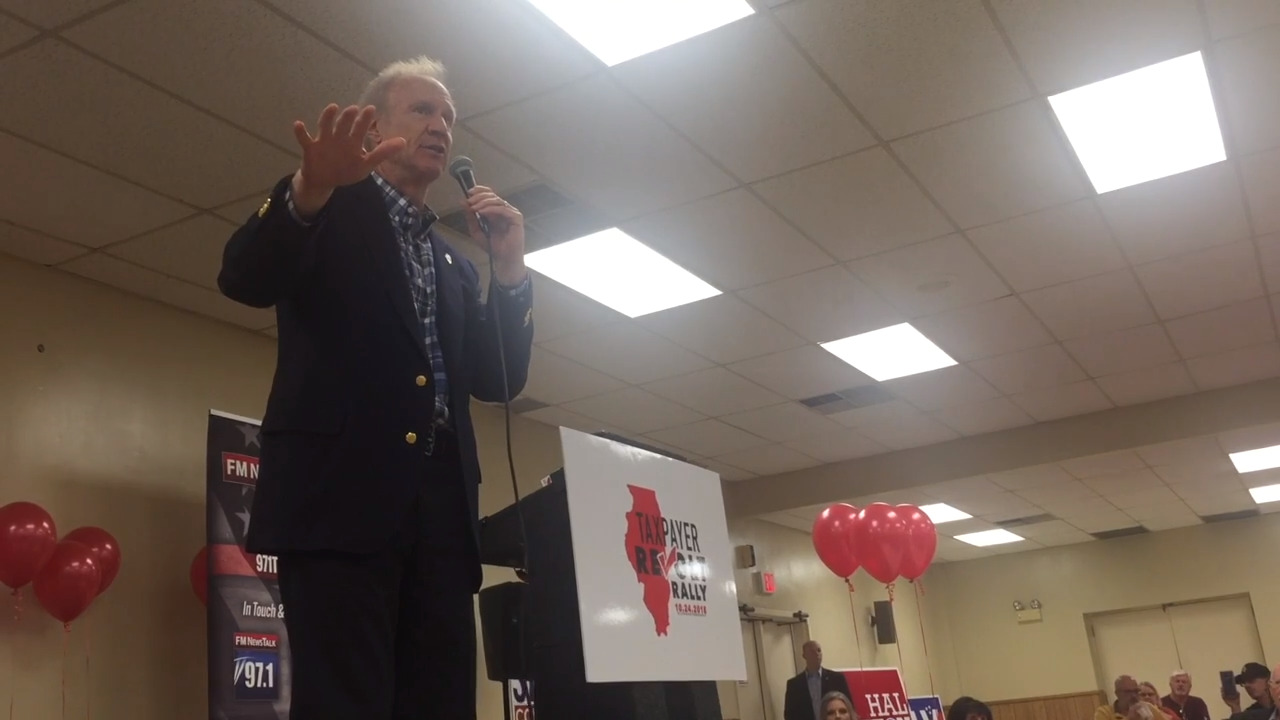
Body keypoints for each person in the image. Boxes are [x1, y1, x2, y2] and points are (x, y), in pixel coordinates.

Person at [217, 55, 534, 720]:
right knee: (346, 702)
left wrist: (508, 272)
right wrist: (308, 185)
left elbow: (497, 379)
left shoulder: (452, 260)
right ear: (375, 130)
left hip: (443, 517)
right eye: (422, 109)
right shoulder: (327, 202)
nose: (441, 125)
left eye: (448, 116)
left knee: (442, 699)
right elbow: (243, 276)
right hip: (341, 505)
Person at [784, 641, 853, 720]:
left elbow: (849, 706)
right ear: (804, 656)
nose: (817, 654)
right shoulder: (794, 684)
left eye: (819, 650)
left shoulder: (836, 678)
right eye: (812, 651)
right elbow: (790, 715)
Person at [1096, 675, 1169, 720]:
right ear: (1117, 693)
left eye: (1136, 691)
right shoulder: (1104, 712)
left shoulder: (1148, 707)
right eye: (1128, 692)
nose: (1133, 695)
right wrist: (1129, 719)